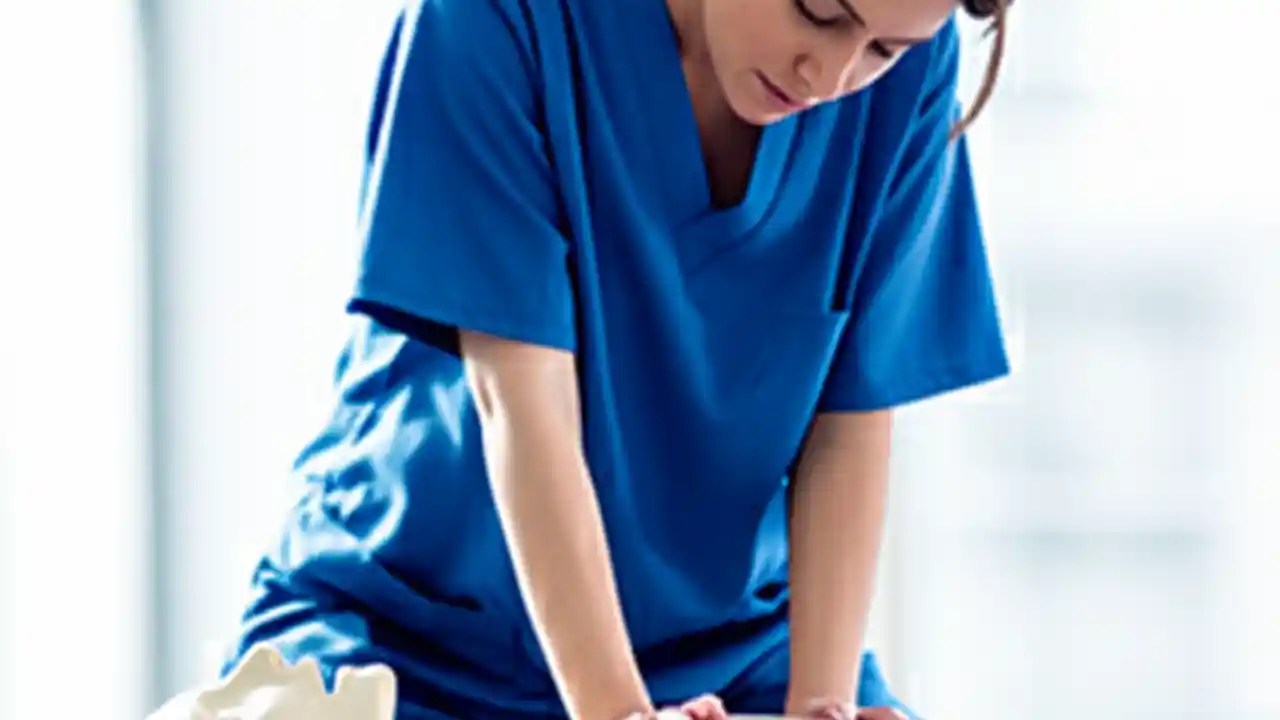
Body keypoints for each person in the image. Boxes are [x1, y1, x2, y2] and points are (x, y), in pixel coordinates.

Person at [219, 0, 1014, 718]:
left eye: (884, 49)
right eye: (816, 12)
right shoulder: (494, 21)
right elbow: (523, 406)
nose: (835, 75)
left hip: (731, 651)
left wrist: (821, 705)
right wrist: (619, 715)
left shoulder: (908, 81)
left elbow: (852, 419)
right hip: (405, 637)